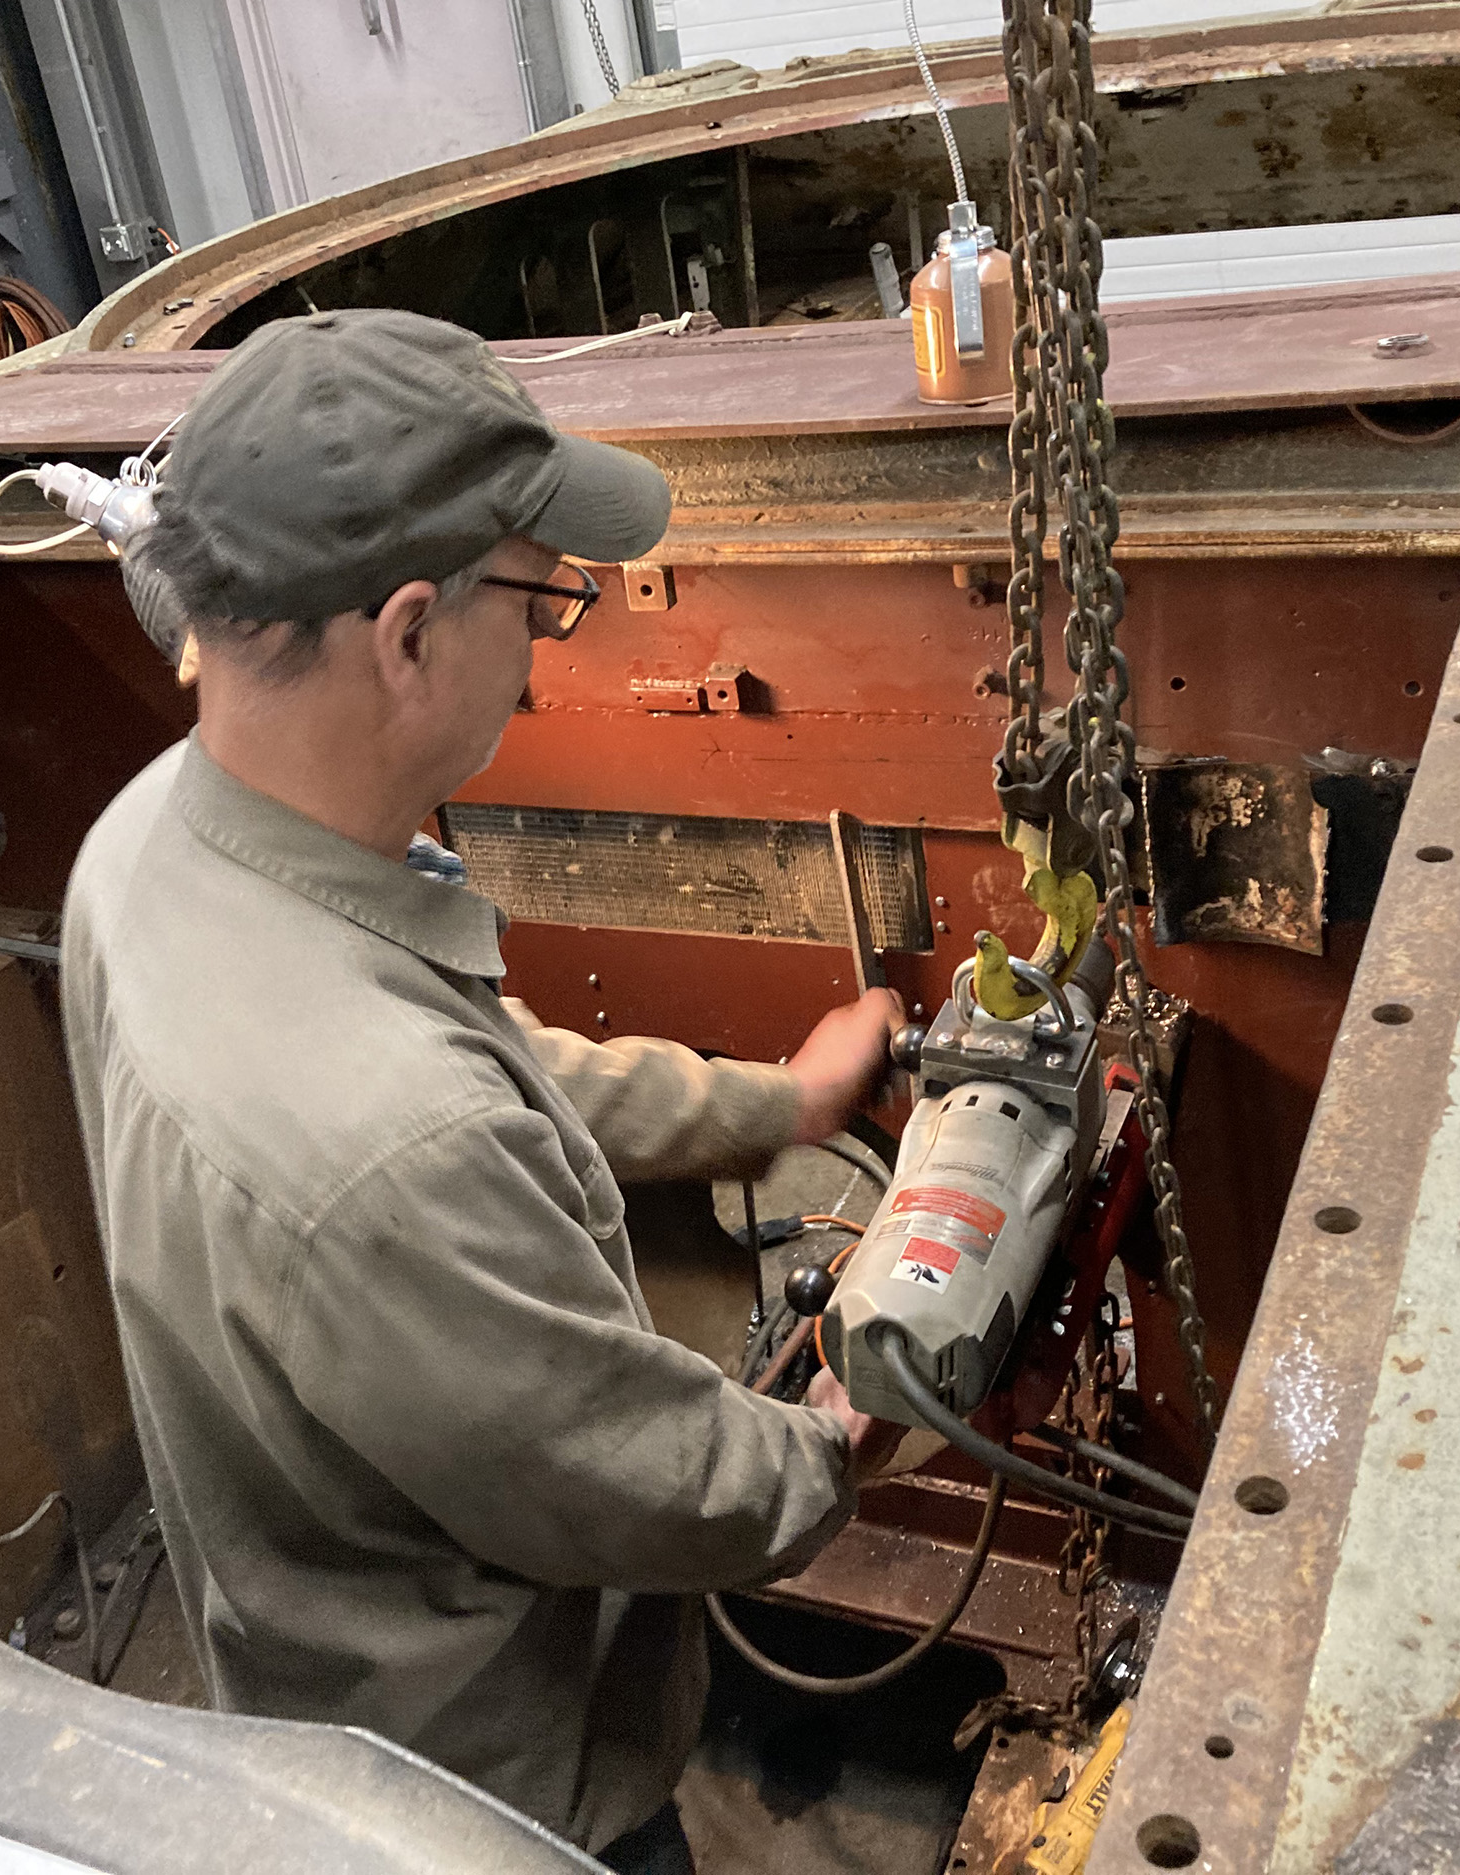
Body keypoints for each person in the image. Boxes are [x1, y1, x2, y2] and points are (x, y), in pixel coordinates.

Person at [61, 308, 903, 1870]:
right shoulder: (385, 1151)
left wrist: (773, 1103)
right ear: (403, 635)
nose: (542, 646)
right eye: (537, 595)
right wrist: (865, 1417)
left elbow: (488, 1070)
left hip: (305, 1649)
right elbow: (663, 1489)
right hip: (501, 1800)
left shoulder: (146, 843)